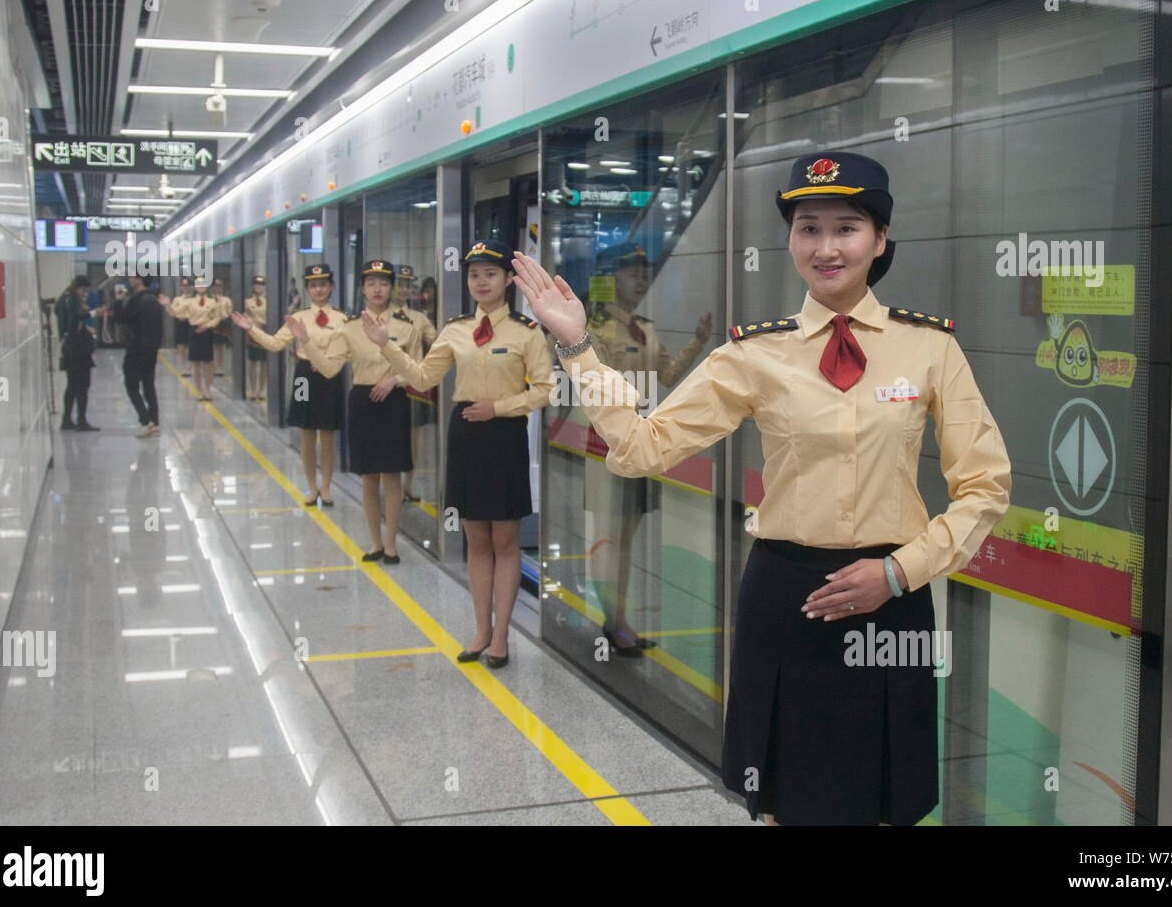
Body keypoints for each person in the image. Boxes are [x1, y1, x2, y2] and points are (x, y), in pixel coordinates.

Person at [511, 151, 1012, 826]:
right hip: (786, 599)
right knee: (785, 804)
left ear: (881, 239)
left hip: (891, 600)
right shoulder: (754, 354)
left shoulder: (929, 349)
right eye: (808, 227)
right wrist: (578, 349)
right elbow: (640, 447)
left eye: (847, 227)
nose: (826, 247)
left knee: (881, 803)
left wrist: (899, 571)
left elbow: (985, 486)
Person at [364, 239, 553, 669]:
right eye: (473, 274)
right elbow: (422, 376)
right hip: (466, 432)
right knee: (475, 538)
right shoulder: (455, 329)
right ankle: (480, 630)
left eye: (490, 273)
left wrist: (501, 407)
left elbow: (544, 390)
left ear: (508, 280)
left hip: (504, 435)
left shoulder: (526, 331)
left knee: (505, 540)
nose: (481, 281)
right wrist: (385, 345)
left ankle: (502, 635)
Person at [580, 243, 712, 655]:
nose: (640, 278)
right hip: (606, 444)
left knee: (627, 536)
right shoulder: (596, 330)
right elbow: (589, 384)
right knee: (609, 536)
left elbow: (668, 375)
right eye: (631, 271)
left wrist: (697, 343)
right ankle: (613, 622)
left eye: (644, 271)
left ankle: (619, 620)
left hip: (641, 441)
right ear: (611, 277)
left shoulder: (646, 329)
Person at [303, 261, 423, 562]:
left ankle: (392, 543)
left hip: (394, 402)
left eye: (383, 283)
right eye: (371, 283)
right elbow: (330, 367)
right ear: (362, 289)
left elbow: (420, 371)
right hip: (362, 401)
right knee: (369, 478)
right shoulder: (349, 328)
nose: (377, 289)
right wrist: (306, 342)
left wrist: (395, 379)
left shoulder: (407, 327)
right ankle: (375, 542)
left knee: (392, 477)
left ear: (392, 287)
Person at [232, 263, 347, 506]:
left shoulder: (342, 318)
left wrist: (329, 361)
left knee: (328, 435)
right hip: (304, 376)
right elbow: (275, 344)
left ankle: (326, 487)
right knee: (306, 433)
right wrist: (251, 328)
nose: (318, 289)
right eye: (313, 285)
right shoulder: (298, 317)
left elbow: (349, 350)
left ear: (332, 287)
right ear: (307, 288)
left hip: (330, 376)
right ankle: (312, 488)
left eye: (323, 285)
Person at [393, 264, 439, 503]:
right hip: (387, 386)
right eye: (399, 284)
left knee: (413, 440)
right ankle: (390, 486)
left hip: (412, 387)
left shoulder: (419, 318)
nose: (403, 289)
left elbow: (439, 341)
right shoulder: (378, 317)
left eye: (408, 285)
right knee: (389, 438)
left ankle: (408, 486)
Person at [108, 274, 164, 437]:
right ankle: (154, 421)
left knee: (131, 385)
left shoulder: (136, 300)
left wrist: (118, 301)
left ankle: (145, 421)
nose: (130, 280)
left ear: (139, 280)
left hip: (136, 347)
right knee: (148, 385)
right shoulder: (155, 299)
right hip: (151, 348)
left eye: (133, 277)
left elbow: (120, 319)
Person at [167, 276, 222, 400]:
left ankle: (207, 390)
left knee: (208, 363)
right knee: (195, 363)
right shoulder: (189, 302)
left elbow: (217, 318)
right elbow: (175, 312)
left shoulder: (212, 302)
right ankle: (198, 391)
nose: (201, 286)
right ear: (195, 287)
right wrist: (167, 305)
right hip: (194, 331)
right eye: (198, 284)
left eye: (203, 284)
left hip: (207, 332)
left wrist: (207, 325)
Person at [56, 275, 98, 432]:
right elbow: (73, 319)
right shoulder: (71, 300)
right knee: (82, 384)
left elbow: (64, 318)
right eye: (83, 290)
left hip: (69, 347)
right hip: (76, 349)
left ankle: (66, 419)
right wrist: (91, 313)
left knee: (72, 385)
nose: (84, 293)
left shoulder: (63, 300)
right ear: (77, 288)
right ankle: (81, 420)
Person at [244, 276, 268, 401]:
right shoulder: (247, 302)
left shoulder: (268, 302)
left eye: (261, 285)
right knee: (253, 363)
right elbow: (246, 318)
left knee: (264, 363)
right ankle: (253, 390)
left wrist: (258, 321)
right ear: (253, 286)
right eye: (256, 285)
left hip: (265, 334)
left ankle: (261, 390)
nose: (258, 287)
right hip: (253, 335)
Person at [210, 277, 231, 375]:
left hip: (222, 324)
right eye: (216, 286)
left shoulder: (226, 300)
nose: (218, 288)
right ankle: (213, 367)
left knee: (221, 347)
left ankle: (220, 367)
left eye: (220, 286)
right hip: (210, 324)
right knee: (211, 346)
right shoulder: (208, 299)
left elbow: (228, 312)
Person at [172, 277, 193, 375]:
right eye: (183, 285)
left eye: (187, 285)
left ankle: (190, 367)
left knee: (191, 345)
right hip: (180, 323)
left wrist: (186, 315)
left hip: (191, 323)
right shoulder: (177, 299)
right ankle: (183, 367)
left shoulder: (194, 299)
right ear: (181, 287)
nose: (185, 287)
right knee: (181, 346)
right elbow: (173, 311)